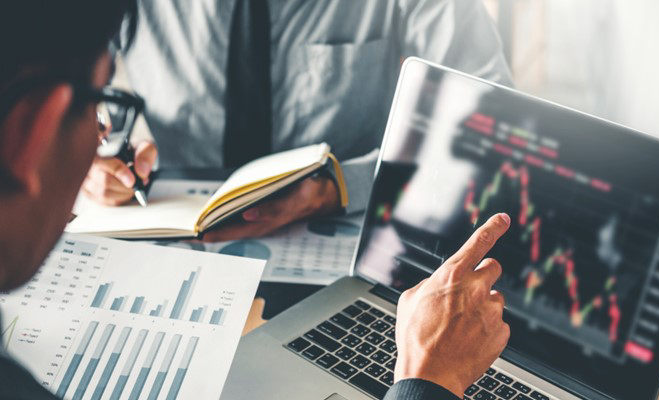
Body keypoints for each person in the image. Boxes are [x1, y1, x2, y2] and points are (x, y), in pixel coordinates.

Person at [0, 1, 510, 399]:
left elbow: (491, 123)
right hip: (172, 255)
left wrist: (341, 184)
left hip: (348, 258)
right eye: (98, 102)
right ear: (34, 130)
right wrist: (98, 150)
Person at [81, 0, 513, 242]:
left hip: (347, 229)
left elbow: (490, 126)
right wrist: (86, 151)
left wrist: (342, 186)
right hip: (172, 227)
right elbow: (56, 84)